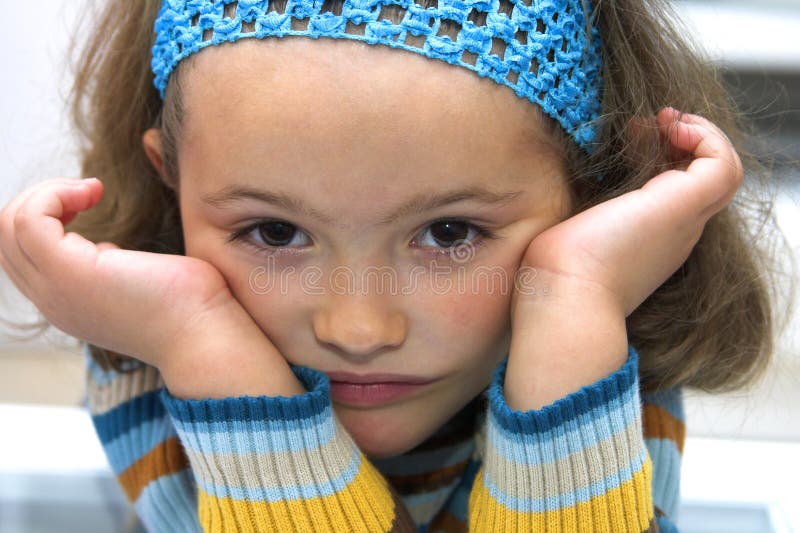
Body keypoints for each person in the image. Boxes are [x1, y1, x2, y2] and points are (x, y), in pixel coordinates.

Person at [0, 0, 792, 531]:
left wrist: (573, 296)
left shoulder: (595, 358)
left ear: (589, 193)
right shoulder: (156, 357)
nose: (358, 328)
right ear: (174, 186)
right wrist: (200, 336)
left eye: (448, 232)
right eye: (275, 231)